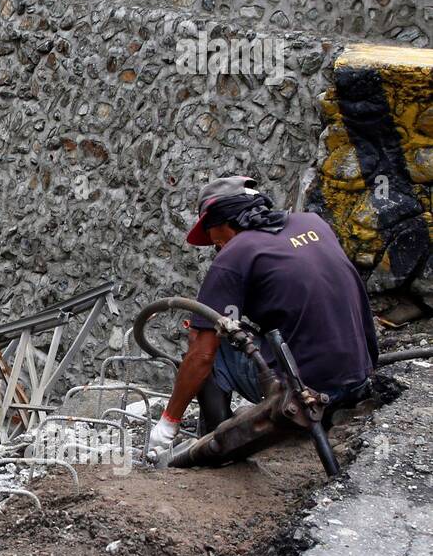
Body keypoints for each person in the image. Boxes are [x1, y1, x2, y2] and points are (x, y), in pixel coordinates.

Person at [148, 176, 378, 452]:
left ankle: (217, 447)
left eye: (210, 234)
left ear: (220, 221)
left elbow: (202, 354)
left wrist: (168, 422)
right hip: (359, 377)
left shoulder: (234, 255)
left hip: (305, 396)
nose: (214, 245)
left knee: (210, 346)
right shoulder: (313, 223)